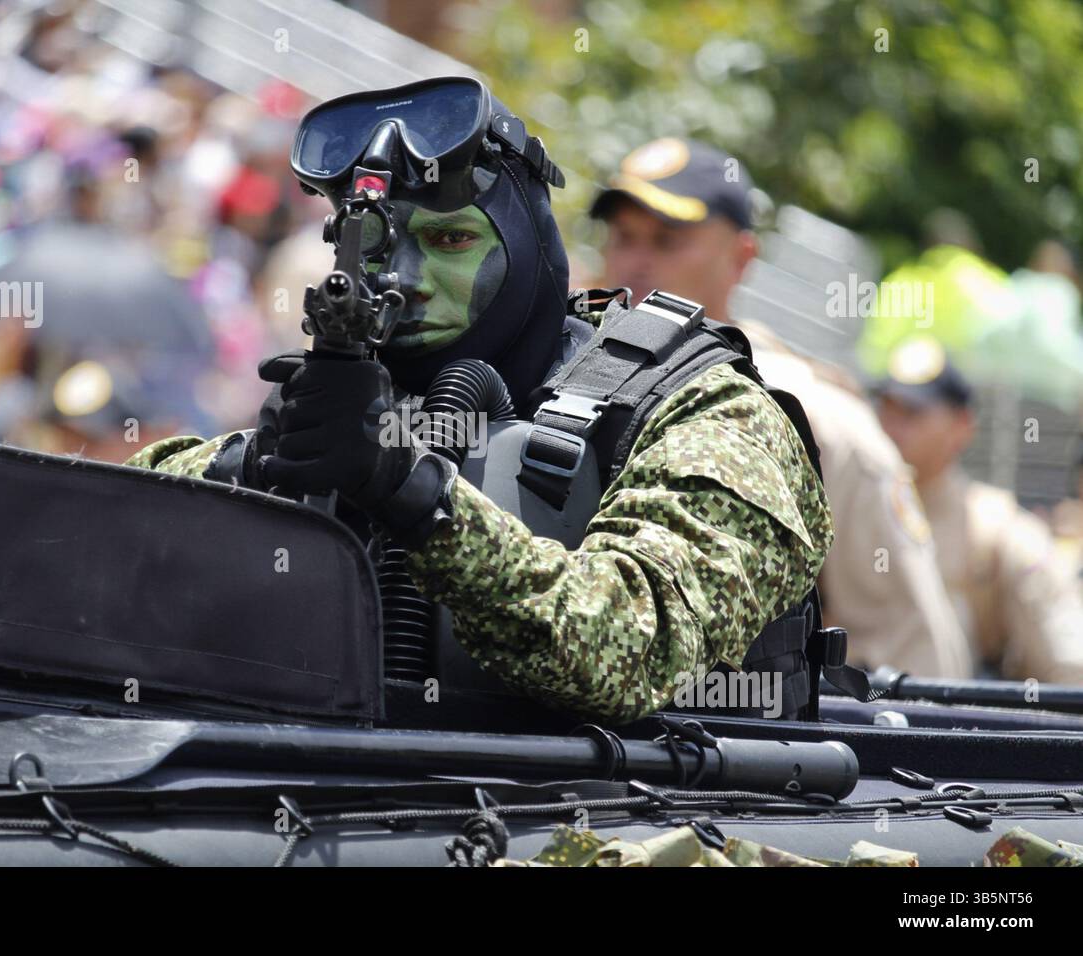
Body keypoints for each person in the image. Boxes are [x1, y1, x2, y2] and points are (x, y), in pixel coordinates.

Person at [126, 80, 836, 724]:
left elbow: (629, 646)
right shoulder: (355, 396)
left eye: (451, 238)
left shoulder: (704, 409)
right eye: (378, 242)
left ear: (527, 240)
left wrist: (408, 491)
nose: (407, 276)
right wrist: (251, 469)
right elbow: (103, 534)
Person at [592, 137, 971, 679]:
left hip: (746, 745)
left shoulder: (815, 415)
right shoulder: (566, 380)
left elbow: (907, 662)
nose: (637, 261)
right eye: (623, 237)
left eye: (667, 239)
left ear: (741, 258)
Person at [875, 338, 1083, 684]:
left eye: (912, 412)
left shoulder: (998, 531)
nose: (892, 426)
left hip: (947, 727)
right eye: (886, 408)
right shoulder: (844, 507)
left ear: (962, 427)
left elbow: (1067, 663)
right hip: (839, 721)